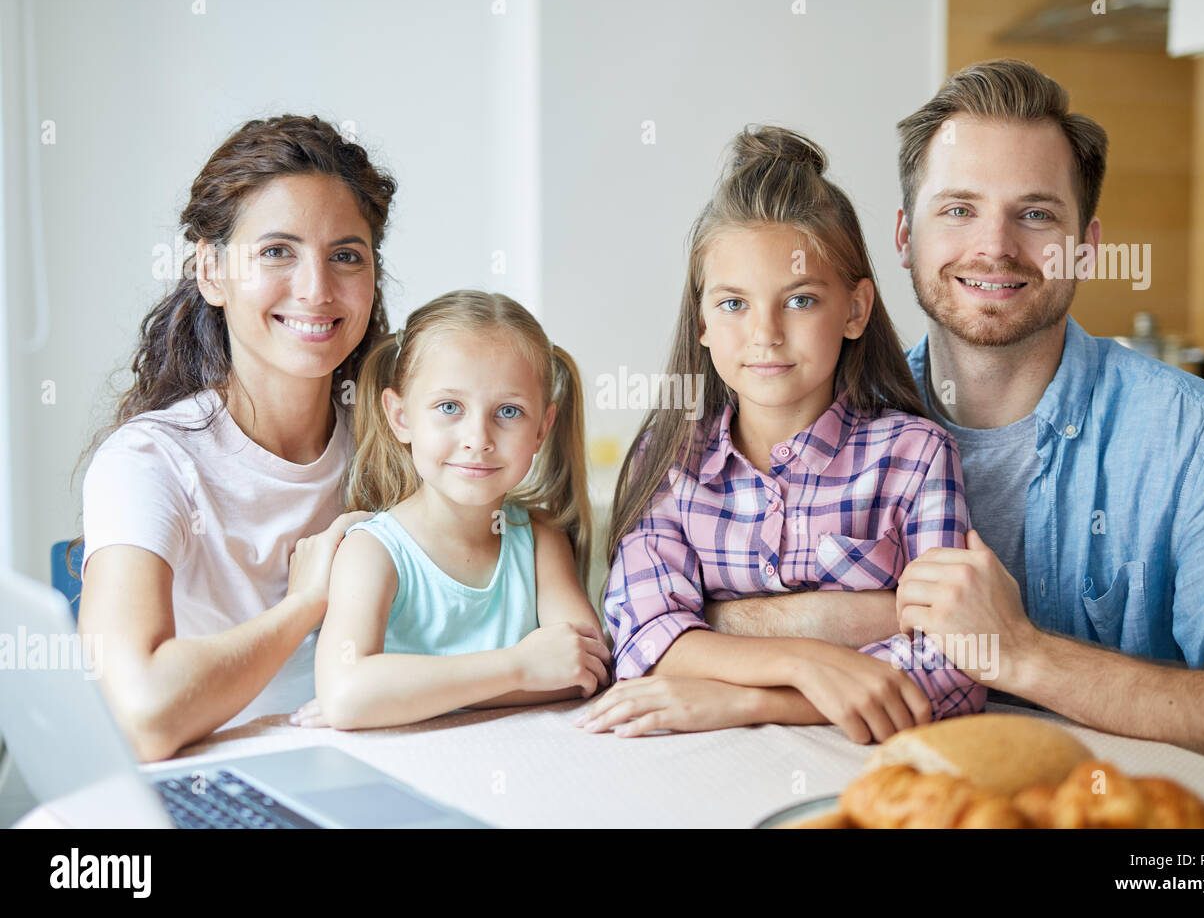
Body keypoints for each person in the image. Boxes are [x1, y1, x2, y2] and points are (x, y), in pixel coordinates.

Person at [716, 61, 1204, 797]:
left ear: (1084, 245)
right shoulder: (818, 414)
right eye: (958, 209)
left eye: (1036, 213)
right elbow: (669, 615)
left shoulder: (1192, 439)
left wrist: (1020, 653)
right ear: (905, 235)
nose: (994, 246)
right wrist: (845, 619)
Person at [581, 126, 985, 744]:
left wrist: (740, 702)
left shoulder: (915, 456)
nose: (765, 333)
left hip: (864, 768)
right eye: (734, 304)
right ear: (702, 322)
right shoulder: (667, 459)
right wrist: (809, 660)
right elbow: (643, 635)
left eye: (798, 301)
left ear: (855, 309)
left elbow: (952, 668)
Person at [73, 115, 392, 761]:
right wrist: (305, 603)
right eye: (278, 250)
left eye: (346, 255)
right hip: (218, 784)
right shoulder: (149, 462)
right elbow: (143, 716)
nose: (316, 289)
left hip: (373, 765)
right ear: (212, 271)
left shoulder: (398, 441)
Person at [291, 291, 610, 731]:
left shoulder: (538, 540)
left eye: (509, 411)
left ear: (542, 428)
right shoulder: (372, 552)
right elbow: (348, 695)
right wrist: (521, 667)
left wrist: (398, 696)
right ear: (401, 416)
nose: (478, 438)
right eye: (449, 407)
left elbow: (583, 669)